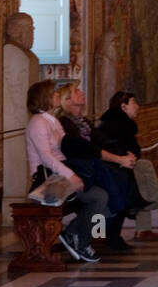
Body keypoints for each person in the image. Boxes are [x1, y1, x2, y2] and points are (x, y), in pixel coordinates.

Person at [24, 80, 108, 263]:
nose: (57, 96)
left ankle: (74, 234)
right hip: (46, 182)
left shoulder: (51, 120)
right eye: (53, 94)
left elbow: (66, 145)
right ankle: (78, 238)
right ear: (44, 98)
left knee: (101, 192)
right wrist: (71, 176)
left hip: (60, 175)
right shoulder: (38, 123)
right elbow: (47, 157)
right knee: (98, 196)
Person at [57, 86, 141, 251]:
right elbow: (85, 149)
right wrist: (118, 159)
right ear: (67, 100)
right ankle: (100, 234)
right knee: (111, 189)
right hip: (79, 171)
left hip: (91, 167)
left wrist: (123, 154)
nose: (81, 92)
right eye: (76, 91)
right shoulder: (64, 123)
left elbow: (102, 141)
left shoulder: (83, 120)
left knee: (121, 178)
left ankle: (107, 233)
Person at [97, 91, 158, 242]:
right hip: (112, 168)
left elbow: (133, 152)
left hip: (120, 164)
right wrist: (126, 157)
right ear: (123, 107)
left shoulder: (120, 123)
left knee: (143, 171)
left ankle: (149, 224)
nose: (138, 107)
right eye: (134, 103)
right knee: (143, 170)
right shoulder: (118, 125)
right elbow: (123, 150)